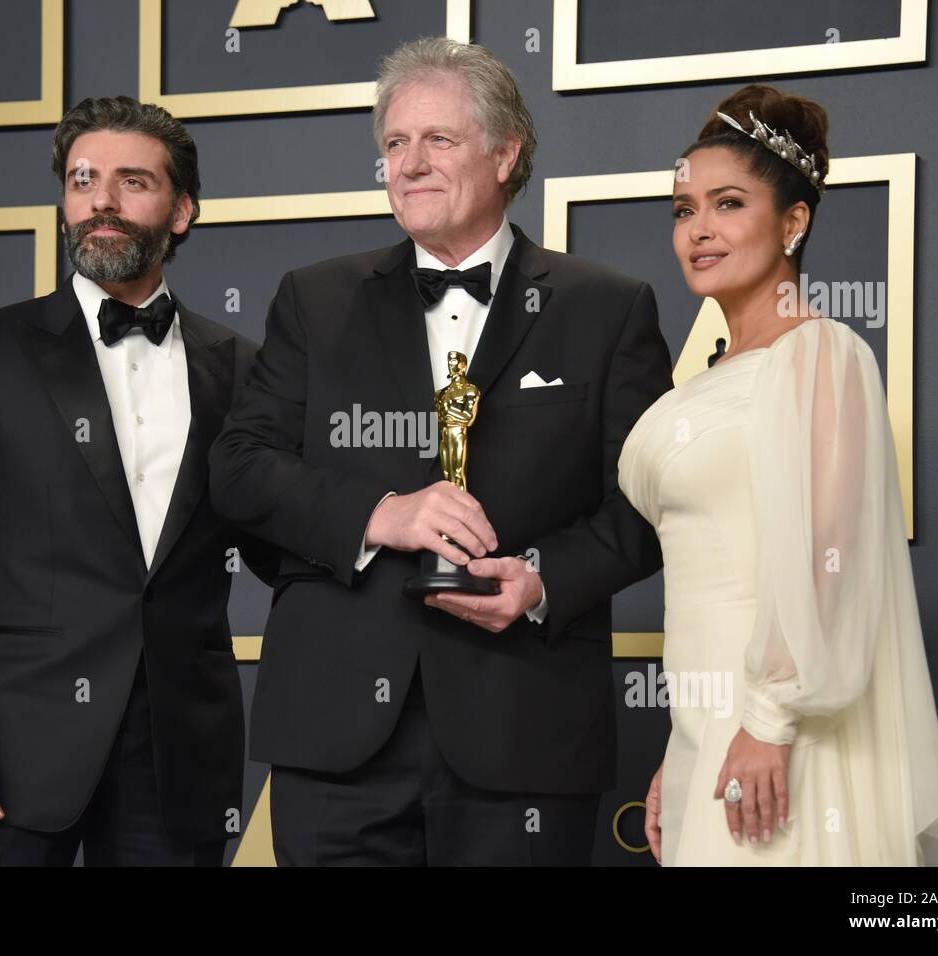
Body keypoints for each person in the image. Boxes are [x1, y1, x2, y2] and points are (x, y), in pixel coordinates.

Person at [208, 38, 672, 866]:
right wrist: (381, 514)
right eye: (394, 144)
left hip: (525, 732)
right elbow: (241, 469)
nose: (409, 164)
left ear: (507, 152)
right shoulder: (313, 299)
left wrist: (540, 580)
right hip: (335, 739)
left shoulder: (609, 308)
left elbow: (645, 506)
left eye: (438, 141)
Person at [0, 95, 275, 866]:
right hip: (10, 746)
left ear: (182, 211)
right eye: (81, 180)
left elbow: (277, 537)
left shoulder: (240, 365)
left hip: (178, 752)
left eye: (132, 181)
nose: (100, 199)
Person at [620, 84, 938, 866]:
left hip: (781, 742)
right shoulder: (707, 380)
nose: (699, 230)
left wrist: (767, 725)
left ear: (794, 222)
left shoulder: (821, 354)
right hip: (708, 734)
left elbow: (828, 556)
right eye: (683, 210)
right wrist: (685, 752)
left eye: (728, 204)